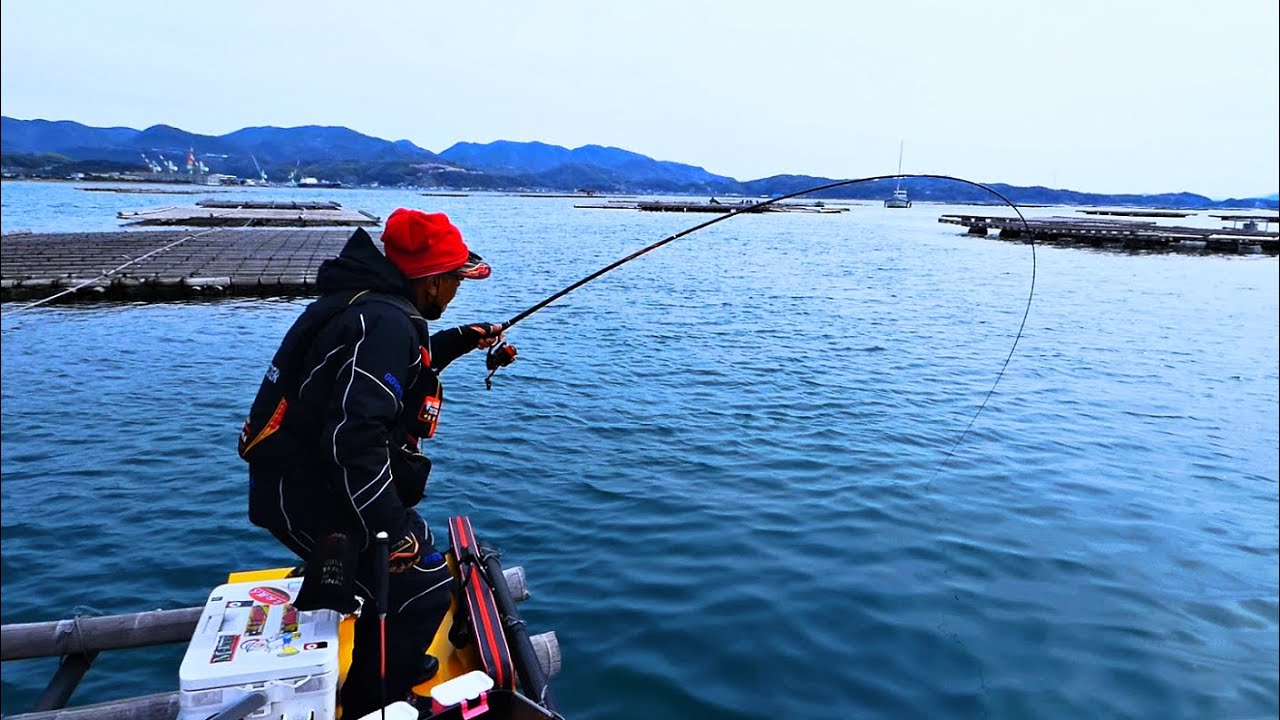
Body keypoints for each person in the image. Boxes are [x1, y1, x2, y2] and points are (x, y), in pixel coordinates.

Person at [239, 208, 505, 716]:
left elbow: (392, 369)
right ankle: (374, 701)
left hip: (295, 476)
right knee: (423, 584)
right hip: (301, 492)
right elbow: (353, 440)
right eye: (455, 280)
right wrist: (390, 531)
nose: (457, 290)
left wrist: (460, 339)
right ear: (431, 281)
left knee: (413, 545)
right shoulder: (386, 324)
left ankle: (390, 658)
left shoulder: (366, 303)